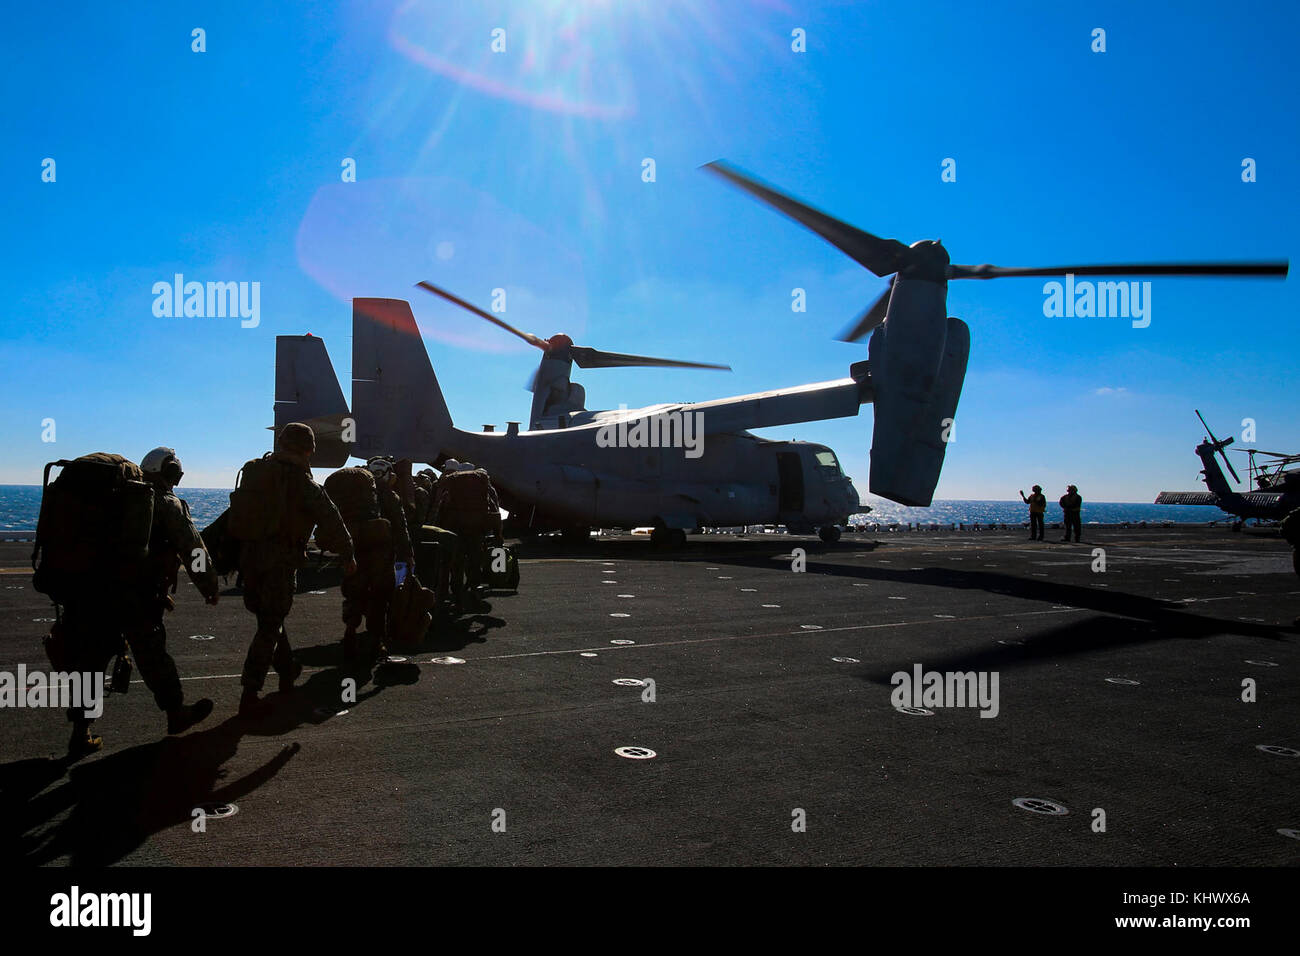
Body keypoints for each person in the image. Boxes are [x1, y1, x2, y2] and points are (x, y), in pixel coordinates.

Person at [62, 448, 223, 756]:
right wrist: (210, 586)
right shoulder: (165, 503)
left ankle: (81, 732)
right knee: (153, 656)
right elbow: (194, 551)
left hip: (93, 591)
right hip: (137, 597)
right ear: (172, 472)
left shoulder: (110, 497)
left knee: (92, 660)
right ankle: (176, 714)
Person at [232, 423, 356, 718]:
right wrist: (349, 555)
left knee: (270, 617)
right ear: (309, 449)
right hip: (280, 561)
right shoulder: (304, 484)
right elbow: (332, 520)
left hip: (248, 558)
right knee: (271, 623)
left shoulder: (256, 473)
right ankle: (250, 692)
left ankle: (287, 671)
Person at [324, 458, 414, 661]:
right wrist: (407, 554)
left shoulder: (354, 493)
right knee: (380, 595)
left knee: (354, 590)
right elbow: (400, 527)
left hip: (353, 546)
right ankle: (376, 640)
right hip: (380, 550)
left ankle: (350, 630)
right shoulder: (389, 495)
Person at [433, 460, 503, 612]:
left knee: (456, 566)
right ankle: (474, 593)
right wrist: (498, 535)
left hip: (455, 532)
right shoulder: (483, 486)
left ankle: (457, 600)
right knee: (474, 565)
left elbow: (441, 508)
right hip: (476, 532)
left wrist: (438, 528)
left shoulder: (452, 485)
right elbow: (494, 510)